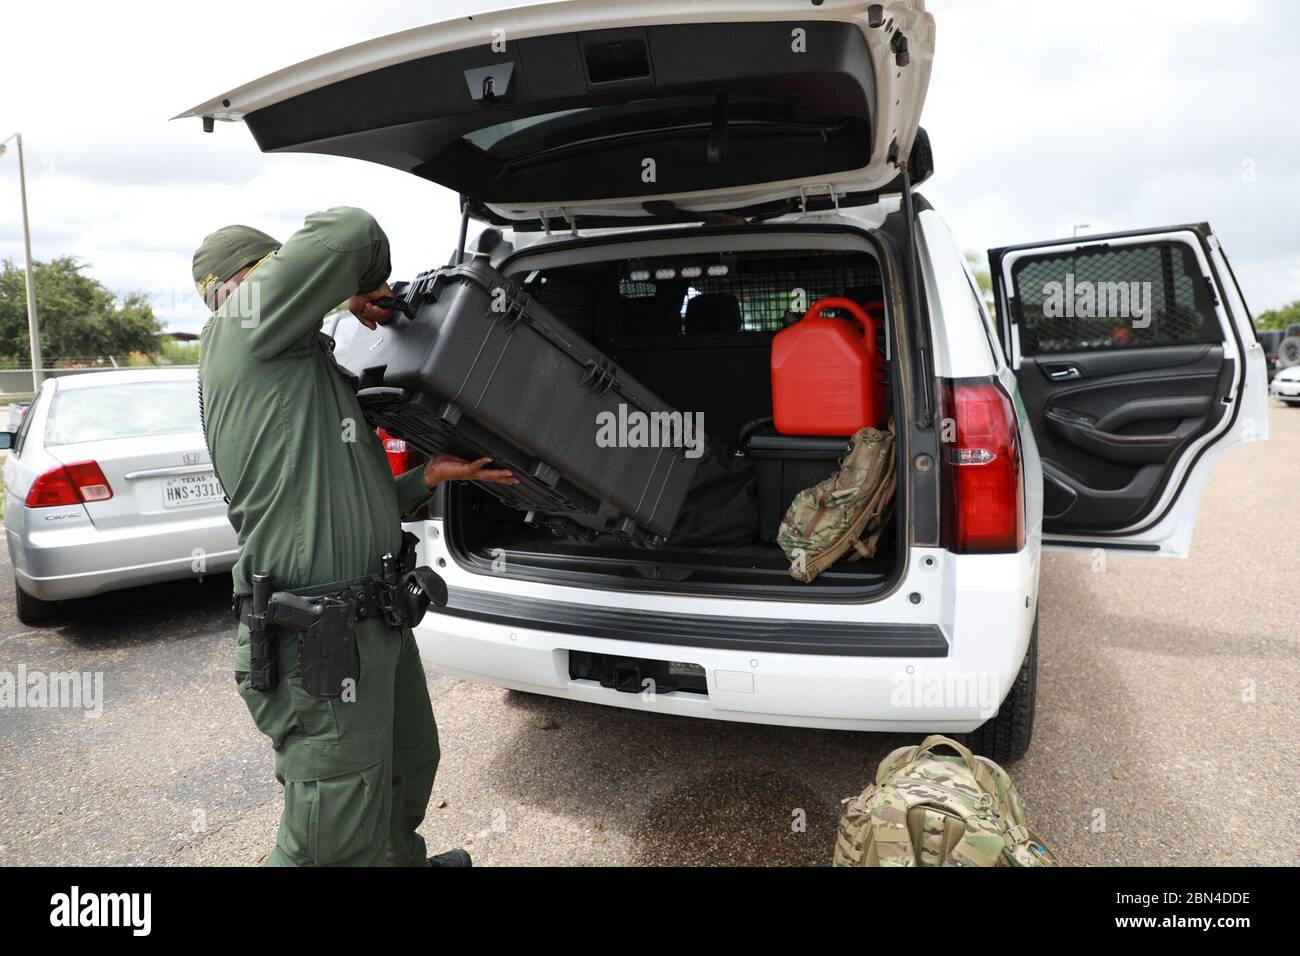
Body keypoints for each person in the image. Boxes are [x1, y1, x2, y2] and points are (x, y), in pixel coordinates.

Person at [193, 207, 516, 866]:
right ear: (249, 283)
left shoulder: (295, 368)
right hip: (322, 633)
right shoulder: (242, 329)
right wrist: (349, 285)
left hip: (372, 616)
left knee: (405, 766)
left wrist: (429, 475)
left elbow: (339, 498)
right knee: (331, 824)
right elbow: (349, 230)